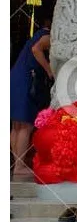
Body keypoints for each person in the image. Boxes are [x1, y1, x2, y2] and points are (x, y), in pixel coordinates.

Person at [11, 26, 52, 178]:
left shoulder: (36, 35)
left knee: (17, 126)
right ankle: (20, 166)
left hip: (16, 79)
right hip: (27, 80)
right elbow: (37, 49)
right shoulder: (47, 36)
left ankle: (17, 165)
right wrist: (49, 70)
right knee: (25, 126)